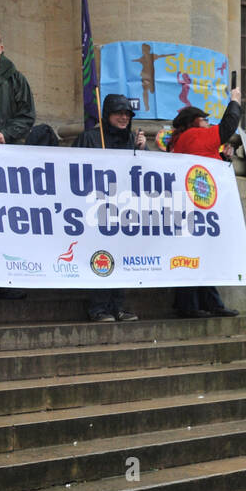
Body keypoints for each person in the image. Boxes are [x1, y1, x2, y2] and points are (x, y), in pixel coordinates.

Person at [168, 91, 243, 318]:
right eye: (204, 119)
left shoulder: (184, 140)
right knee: (197, 254)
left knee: (199, 254)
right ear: (193, 122)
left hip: (194, 204)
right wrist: (235, 101)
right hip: (199, 206)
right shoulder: (194, 135)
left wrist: (224, 159)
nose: (207, 123)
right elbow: (228, 126)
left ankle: (207, 302)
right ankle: (191, 305)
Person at [72, 93, 144, 323]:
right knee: (101, 259)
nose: (124, 118)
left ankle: (119, 306)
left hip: (124, 210)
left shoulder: (132, 141)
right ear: (107, 115)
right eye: (118, 113)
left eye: (127, 114)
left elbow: (144, 174)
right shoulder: (90, 138)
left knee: (121, 259)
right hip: (96, 210)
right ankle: (99, 307)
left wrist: (142, 150)